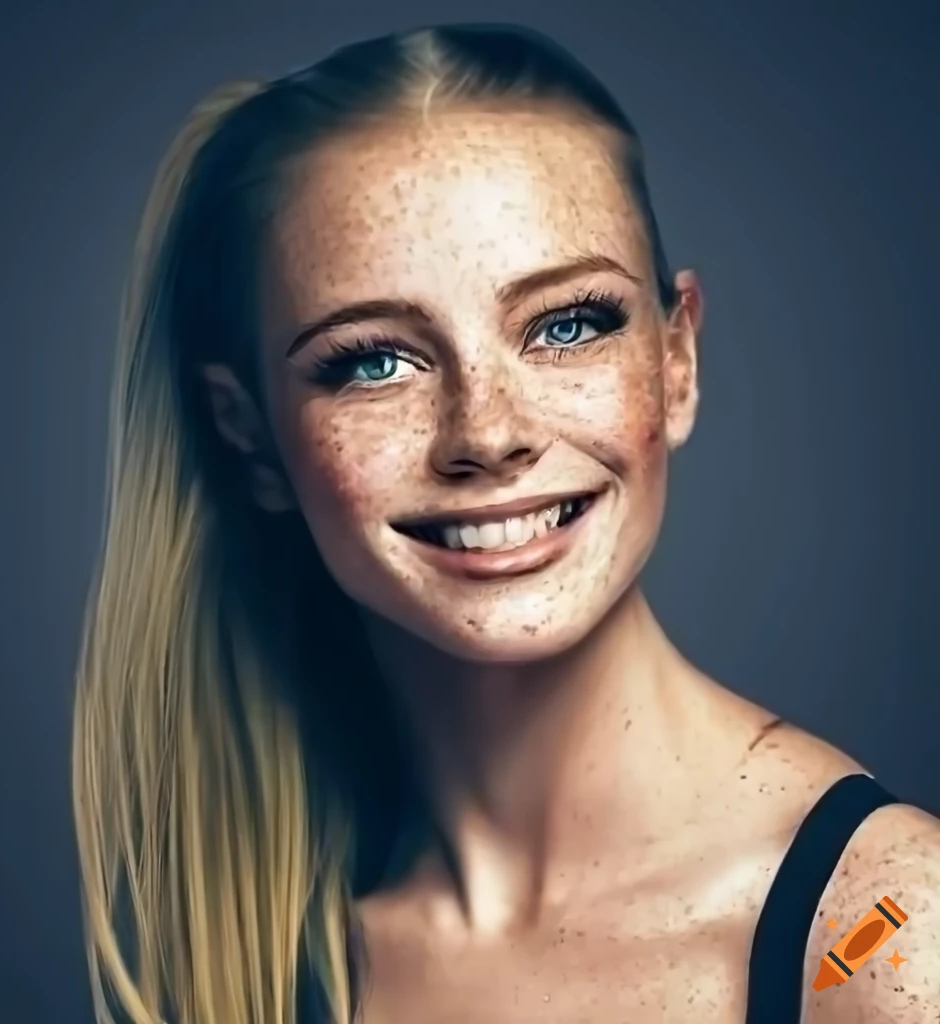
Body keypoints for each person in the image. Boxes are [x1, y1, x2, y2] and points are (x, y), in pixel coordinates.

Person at [71, 22, 940, 1024]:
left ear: (677, 361)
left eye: (567, 325)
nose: (485, 432)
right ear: (251, 436)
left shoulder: (882, 936)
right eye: (372, 360)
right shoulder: (251, 960)